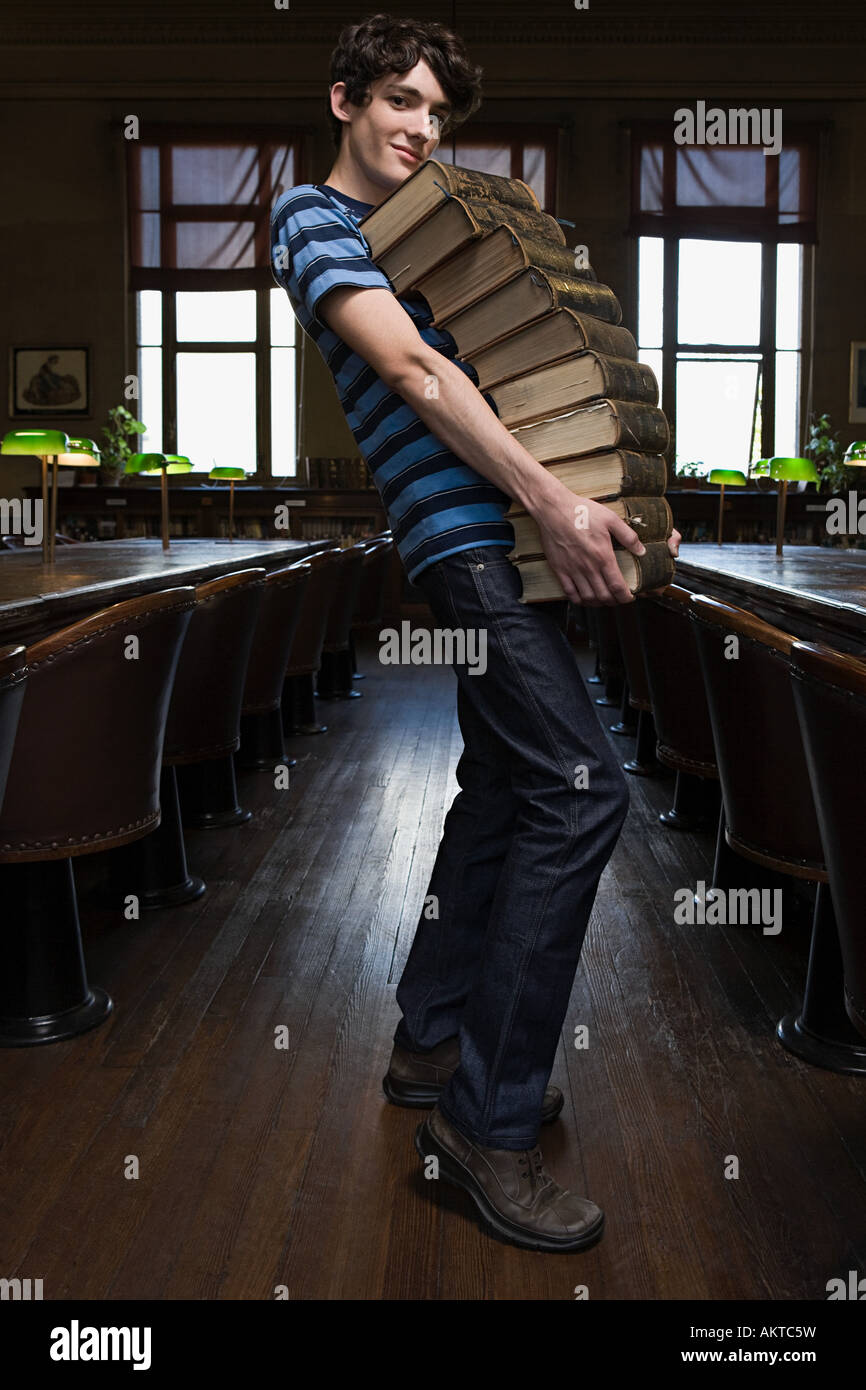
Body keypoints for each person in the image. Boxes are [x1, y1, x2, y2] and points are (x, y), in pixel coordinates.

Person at [270, 11, 681, 1253]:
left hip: (495, 540)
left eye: (436, 113)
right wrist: (552, 498)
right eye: (399, 100)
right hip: (463, 543)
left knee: (508, 780)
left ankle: (432, 1041)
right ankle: (481, 1126)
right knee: (579, 789)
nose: (420, 128)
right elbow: (417, 376)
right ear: (343, 98)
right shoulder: (315, 218)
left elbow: (507, 370)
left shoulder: (424, 232)